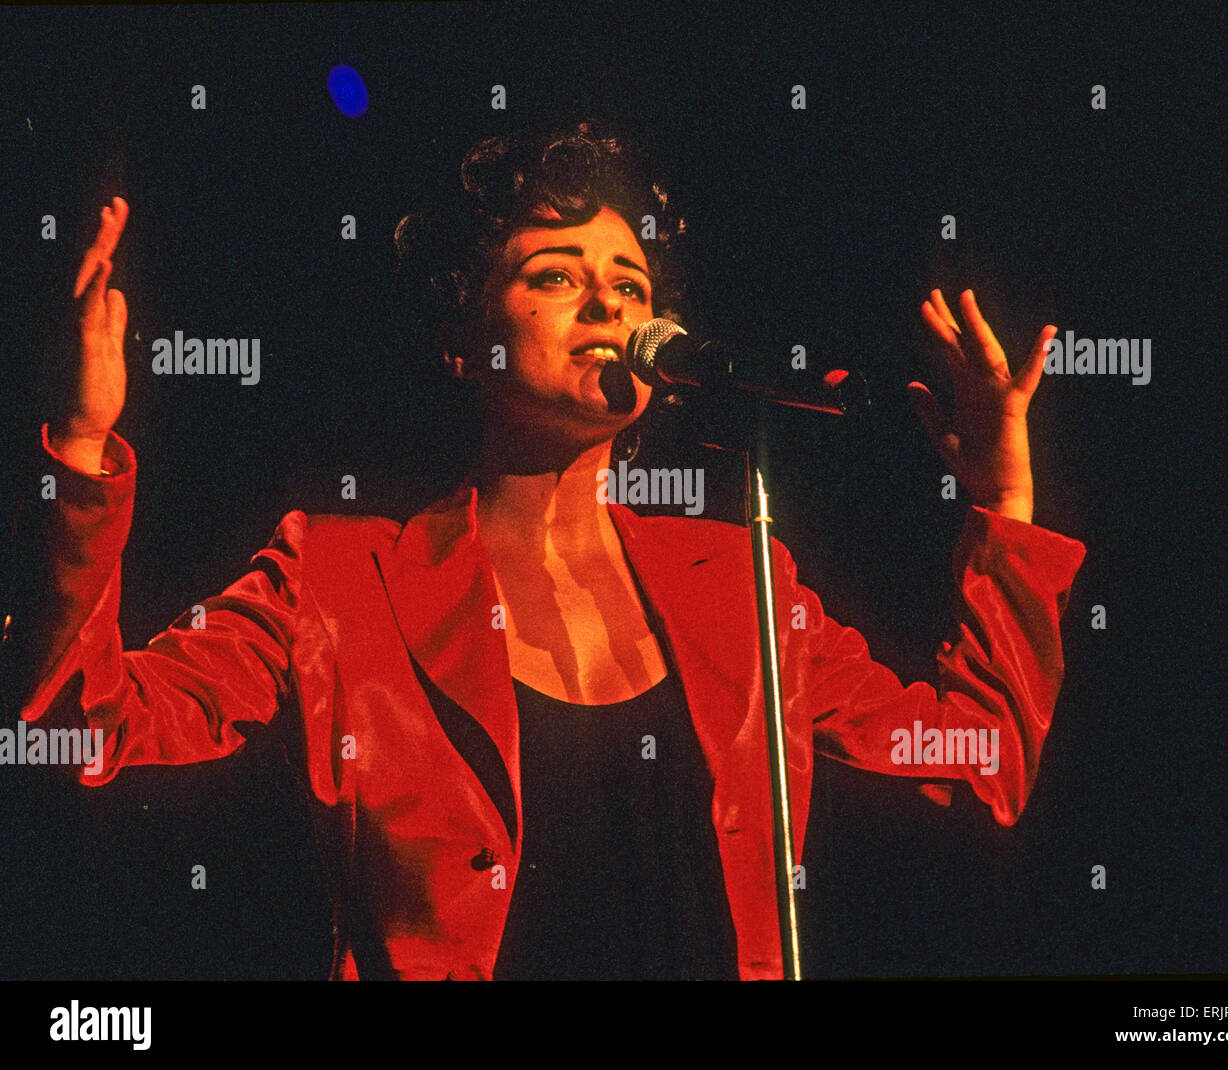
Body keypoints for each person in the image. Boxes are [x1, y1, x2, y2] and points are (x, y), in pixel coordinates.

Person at [4, 120, 1085, 980]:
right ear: (462, 339)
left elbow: (977, 762)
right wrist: (84, 445)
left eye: (631, 283)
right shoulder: (338, 578)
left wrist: (1006, 502)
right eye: (557, 275)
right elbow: (77, 732)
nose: (609, 300)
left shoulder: (743, 582)